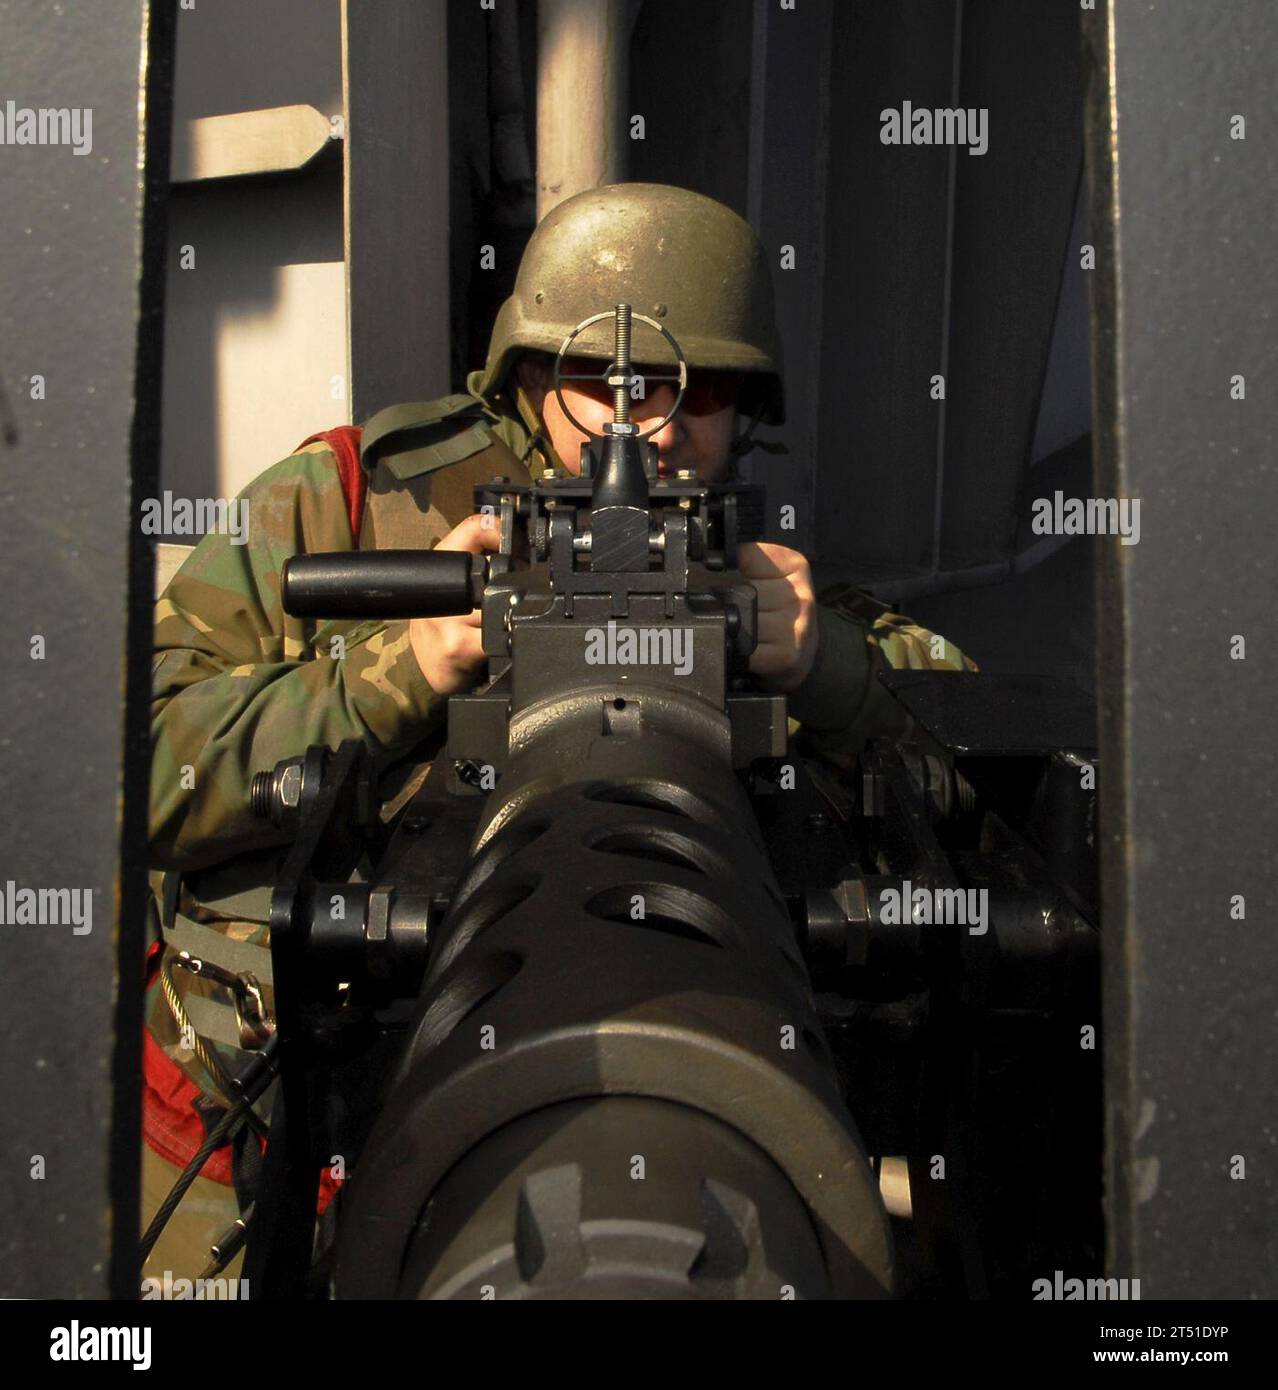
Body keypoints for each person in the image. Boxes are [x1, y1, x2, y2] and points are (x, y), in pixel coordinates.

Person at [141, 181, 976, 1282]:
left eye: (703, 387)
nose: (654, 423)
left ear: (749, 415)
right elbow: (141, 769)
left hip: (636, 1135)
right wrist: (404, 670)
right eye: (603, 379)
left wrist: (830, 671)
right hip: (264, 1146)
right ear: (530, 375)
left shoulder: (776, 598)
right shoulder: (342, 504)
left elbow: (987, 794)